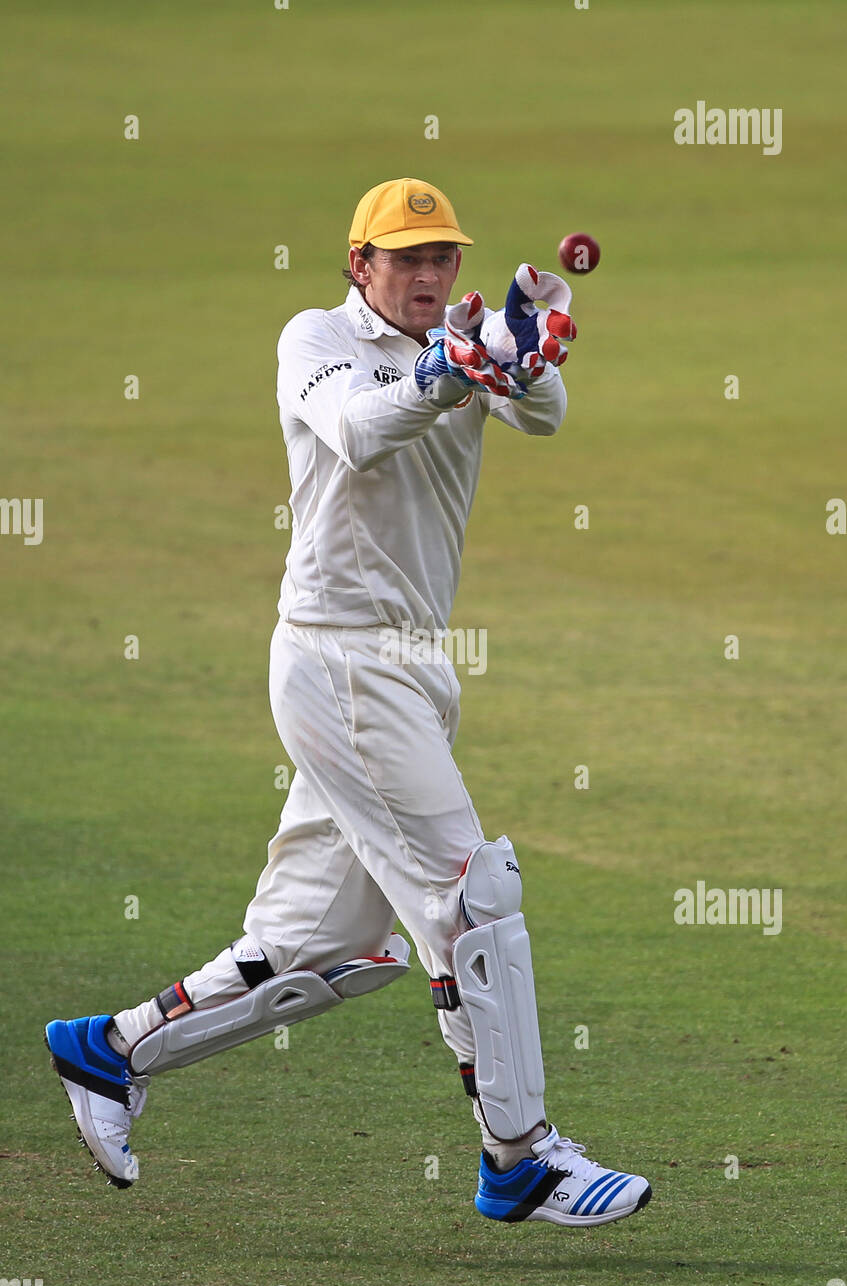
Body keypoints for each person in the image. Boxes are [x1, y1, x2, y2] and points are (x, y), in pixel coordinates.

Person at [46, 177, 652, 1229]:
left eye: (441, 257)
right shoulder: (314, 336)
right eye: (404, 258)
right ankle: (519, 1157)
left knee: (320, 943)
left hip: (412, 664)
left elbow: (543, 418)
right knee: (472, 899)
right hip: (340, 660)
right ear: (357, 263)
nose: (426, 275)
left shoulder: (457, 335)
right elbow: (359, 428)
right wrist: (445, 371)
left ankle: (109, 1050)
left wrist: (521, 346)